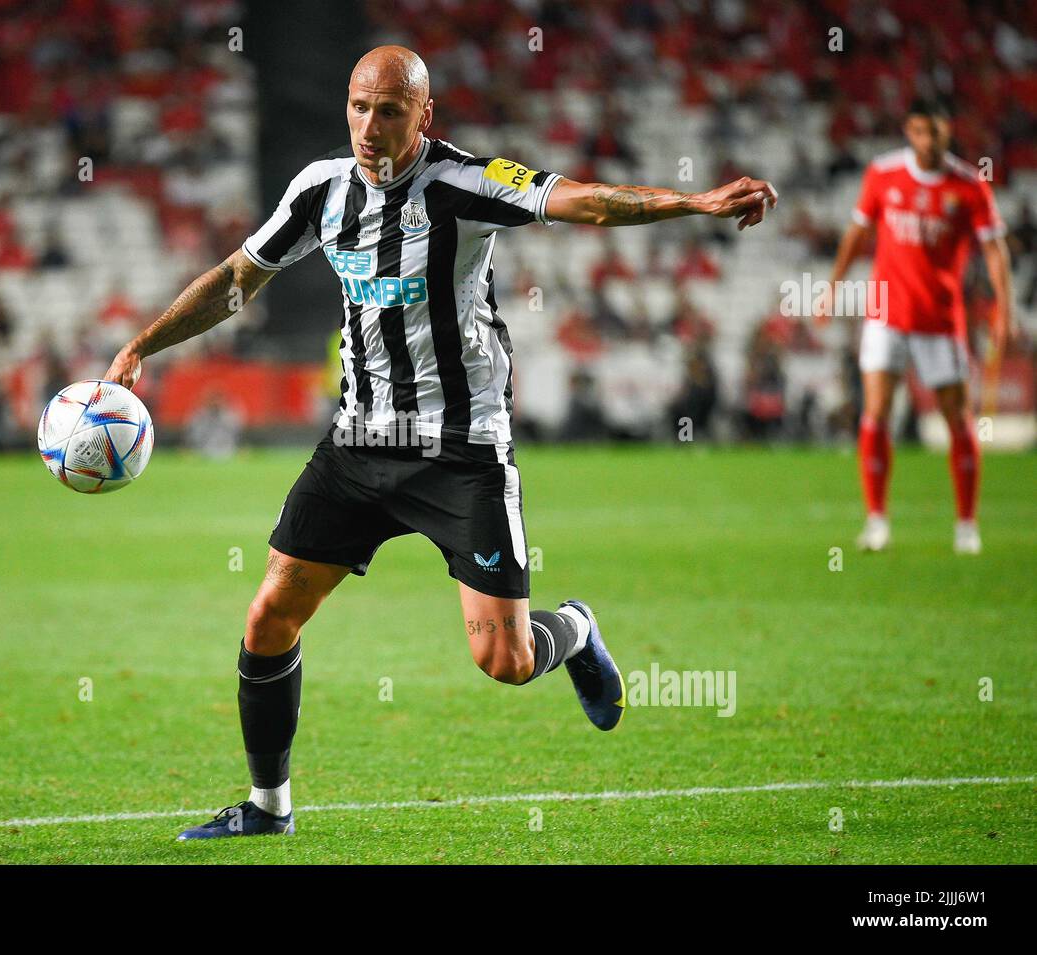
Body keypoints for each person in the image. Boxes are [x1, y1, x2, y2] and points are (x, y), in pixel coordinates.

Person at [104, 46, 777, 840]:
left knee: (507, 660)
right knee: (268, 618)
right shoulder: (320, 190)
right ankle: (268, 808)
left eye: (389, 110)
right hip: (359, 443)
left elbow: (586, 203)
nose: (369, 125)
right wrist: (144, 343)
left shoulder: (463, 183)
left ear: (425, 116)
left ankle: (578, 629)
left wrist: (694, 204)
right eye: (358, 106)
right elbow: (236, 279)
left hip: (461, 448)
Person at [822, 99, 1012, 554]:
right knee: (877, 410)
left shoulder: (968, 185)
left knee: (956, 418)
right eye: (922, 133)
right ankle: (876, 521)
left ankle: (966, 525)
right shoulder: (883, 173)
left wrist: (1004, 309)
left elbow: (994, 249)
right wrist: (832, 286)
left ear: (948, 134)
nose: (930, 143)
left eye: (938, 134)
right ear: (909, 131)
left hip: (940, 321)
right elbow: (857, 232)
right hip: (885, 314)